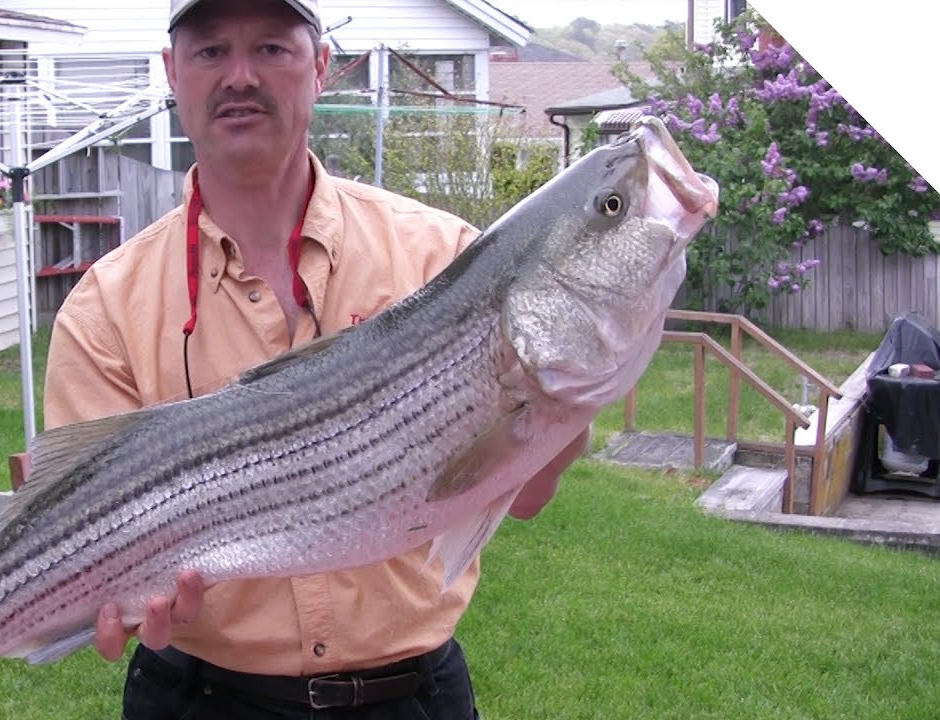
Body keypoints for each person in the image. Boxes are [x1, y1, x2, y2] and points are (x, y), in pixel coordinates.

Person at [42, 0, 588, 716]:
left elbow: (525, 496)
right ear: (172, 73)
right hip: (200, 698)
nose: (241, 76)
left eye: (272, 48)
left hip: (413, 696)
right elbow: (69, 528)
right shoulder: (104, 307)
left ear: (321, 66)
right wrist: (101, 597)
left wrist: (555, 405)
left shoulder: (448, 260)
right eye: (210, 52)